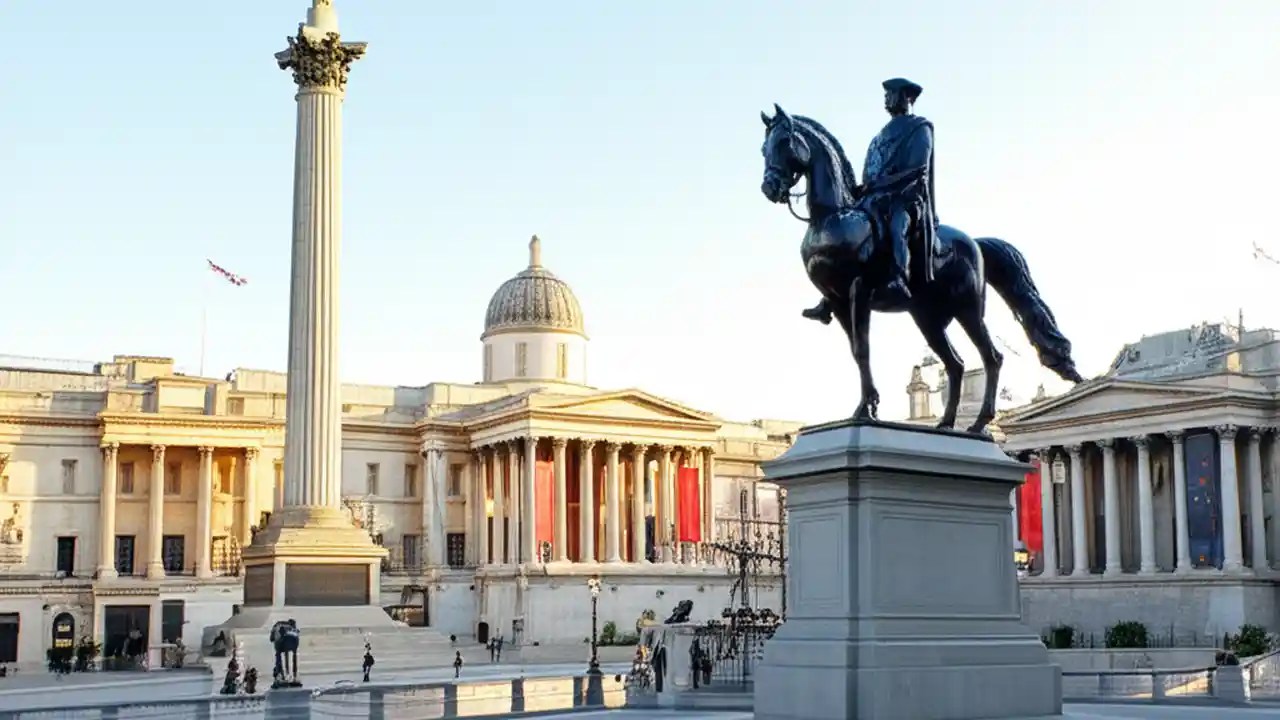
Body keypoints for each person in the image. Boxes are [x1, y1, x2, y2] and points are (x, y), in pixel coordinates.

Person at [802, 77, 938, 322]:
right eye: (885, 95)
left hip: (905, 199)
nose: (887, 99)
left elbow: (917, 169)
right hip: (875, 200)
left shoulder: (920, 128)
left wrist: (876, 186)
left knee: (898, 224)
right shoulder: (879, 137)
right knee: (851, 230)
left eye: (891, 94)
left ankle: (898, 277)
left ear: (906, 98)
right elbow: (870, 172)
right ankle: (832, 295)